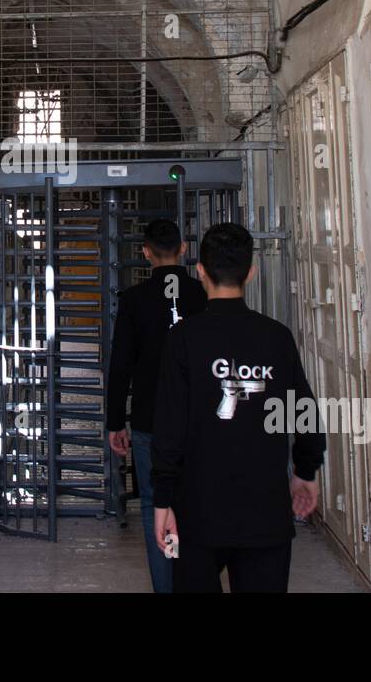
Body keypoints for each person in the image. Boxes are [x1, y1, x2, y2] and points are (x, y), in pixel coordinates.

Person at [151, 222, 325, 593]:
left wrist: (163, 499)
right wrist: (305, 470)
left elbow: (169, 428)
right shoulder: (277, 338)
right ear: (251, 272)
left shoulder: (183, 339)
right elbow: (304, 411)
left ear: (199, 272)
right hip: (264, 510)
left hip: (197, 511)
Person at [106, 218, 206, 593]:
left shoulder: (134, 301)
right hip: (200, 421)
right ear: (183, 248)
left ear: (145, 252)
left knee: (153, 505)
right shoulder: (203, 295)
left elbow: (120, 367)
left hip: (150, 420)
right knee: (196, 499)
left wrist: (116, 421)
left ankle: (167, 586)